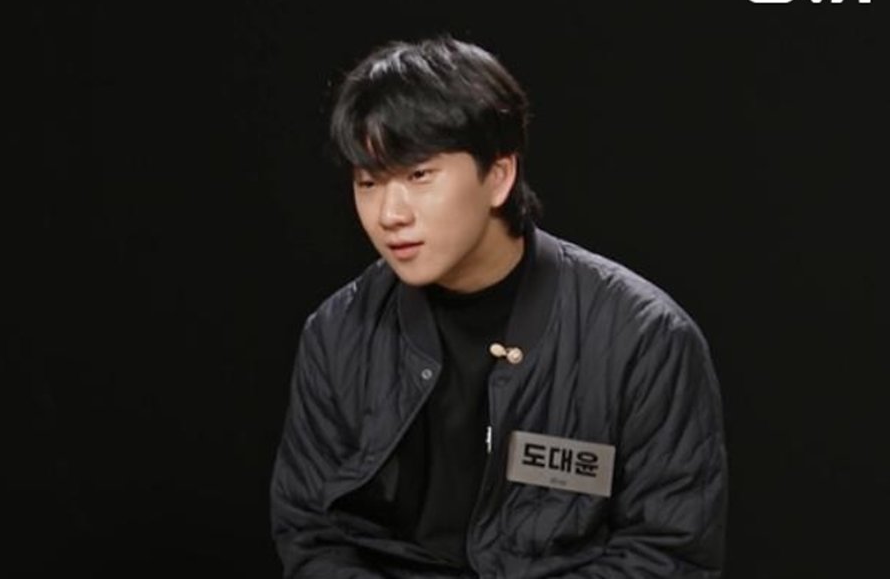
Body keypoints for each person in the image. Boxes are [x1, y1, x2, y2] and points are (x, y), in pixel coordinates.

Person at [269, 36, 727, 578]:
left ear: (499, 176)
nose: (390, 213)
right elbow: (310, 531)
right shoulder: (337, 331)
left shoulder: (644, 339)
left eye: (419, 175)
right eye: (368, 182)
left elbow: (669, 554)